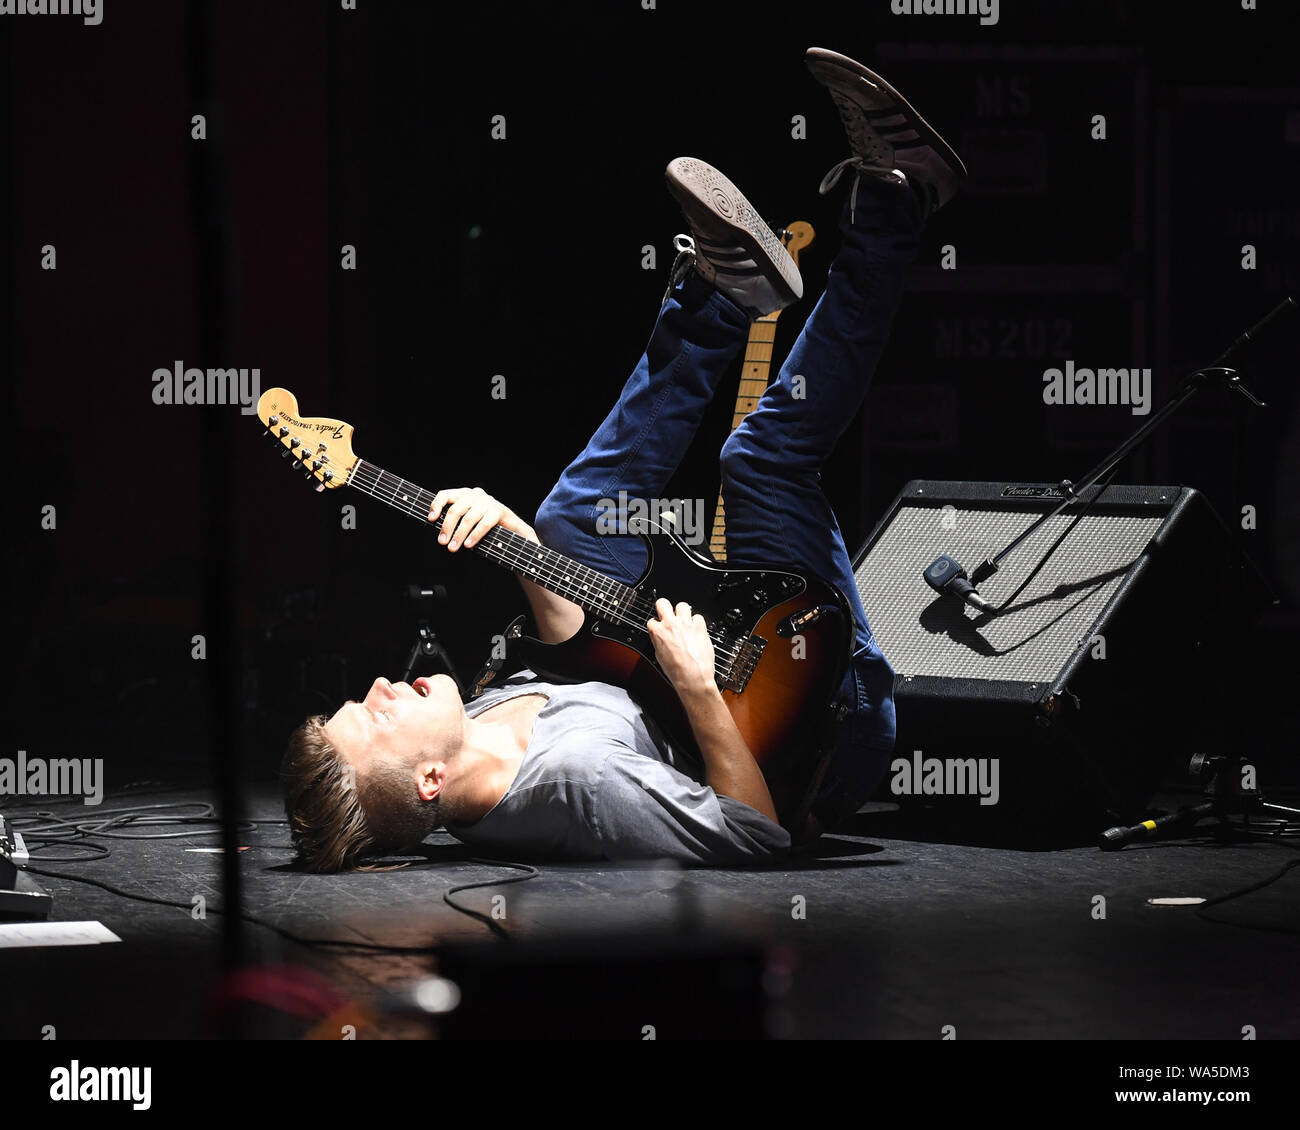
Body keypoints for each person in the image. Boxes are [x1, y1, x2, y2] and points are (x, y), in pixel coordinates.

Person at [281, 48, 967, 872]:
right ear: (430, 781)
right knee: (762, 459)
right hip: (819, 717)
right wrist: (697, 685)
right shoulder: (576, 787)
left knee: (565, 522)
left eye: (362, 698)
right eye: (377, 717)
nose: (380, 689)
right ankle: (897, 202)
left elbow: (585, 657)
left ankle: (724, 297)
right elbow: (753, 831)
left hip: (715, 667)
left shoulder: (480, 729)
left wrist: (508, 535)